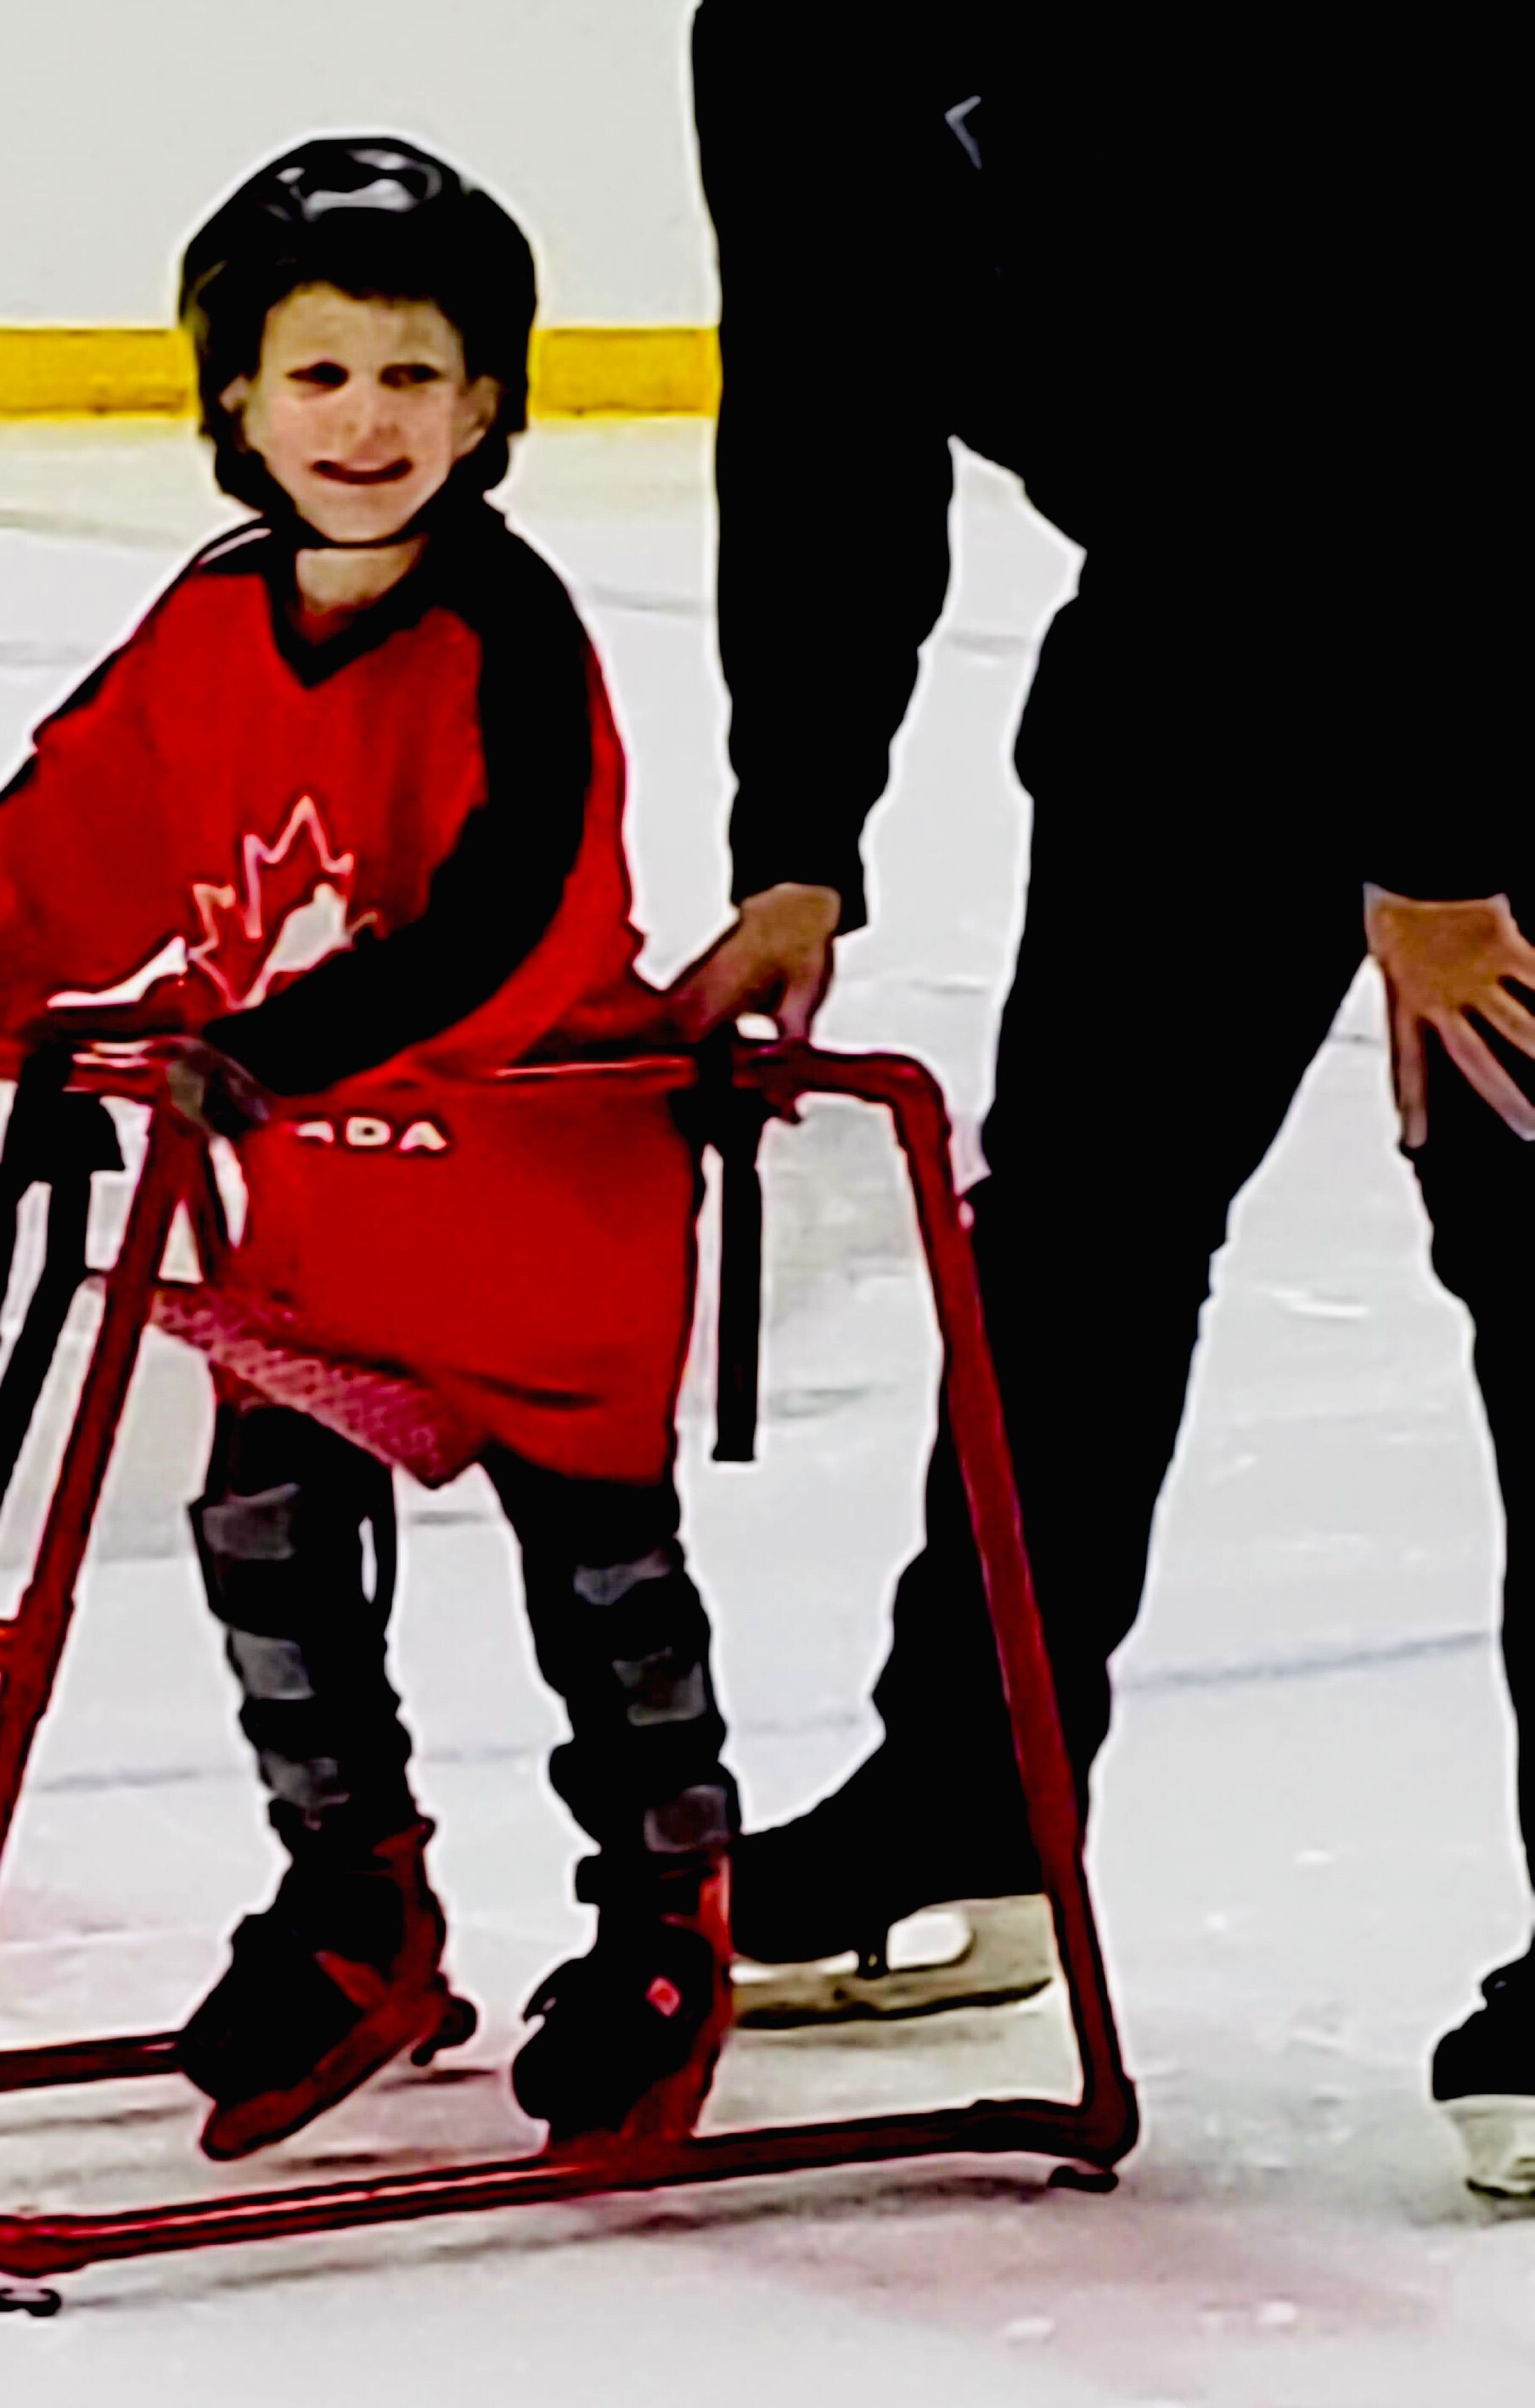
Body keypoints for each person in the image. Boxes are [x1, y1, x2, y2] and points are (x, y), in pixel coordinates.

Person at [0, 138, 739, 2159]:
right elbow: (72, 838)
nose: (364, 423)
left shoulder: (505, 636)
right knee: (266, 1545)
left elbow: (513, 914)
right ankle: (354, 1897)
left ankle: (665, 1919)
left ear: (489, 406)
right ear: (231, 397)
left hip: (535, 1205)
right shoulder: (212, 622)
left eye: (413, 377)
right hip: (315, 1208)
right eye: (316, 376)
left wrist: (276, 1044)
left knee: (601, 1580)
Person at [678, 10, 1533, 2192]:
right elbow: (824, 401)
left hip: (1503, 592)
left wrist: (1436, 847)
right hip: (1206, 633)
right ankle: (967, 1806)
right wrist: (800, 834)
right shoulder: (790, 33)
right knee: (1068, 1237)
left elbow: (1447, 339)